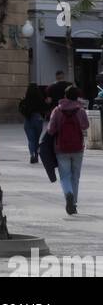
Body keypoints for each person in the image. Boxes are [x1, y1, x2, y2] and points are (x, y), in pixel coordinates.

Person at [47, 84, 89, 215]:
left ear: (65, 96)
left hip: (61, 148)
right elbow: (85, 126)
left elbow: (50, 129)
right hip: (77, 148)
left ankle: (68, 194)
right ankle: (74, 203)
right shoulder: (80, 110)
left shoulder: (57, 110)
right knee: (75, 176)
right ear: (77, 96)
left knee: (65, 175)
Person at [18, 83, 49, 163]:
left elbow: (20, 108)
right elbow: (45, 108)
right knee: (36, 139)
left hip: (28, 120)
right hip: (38, 119)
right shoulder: (40, 98)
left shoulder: (25, 99)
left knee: (31, 139)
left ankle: (32, 154)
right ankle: (36, 154)